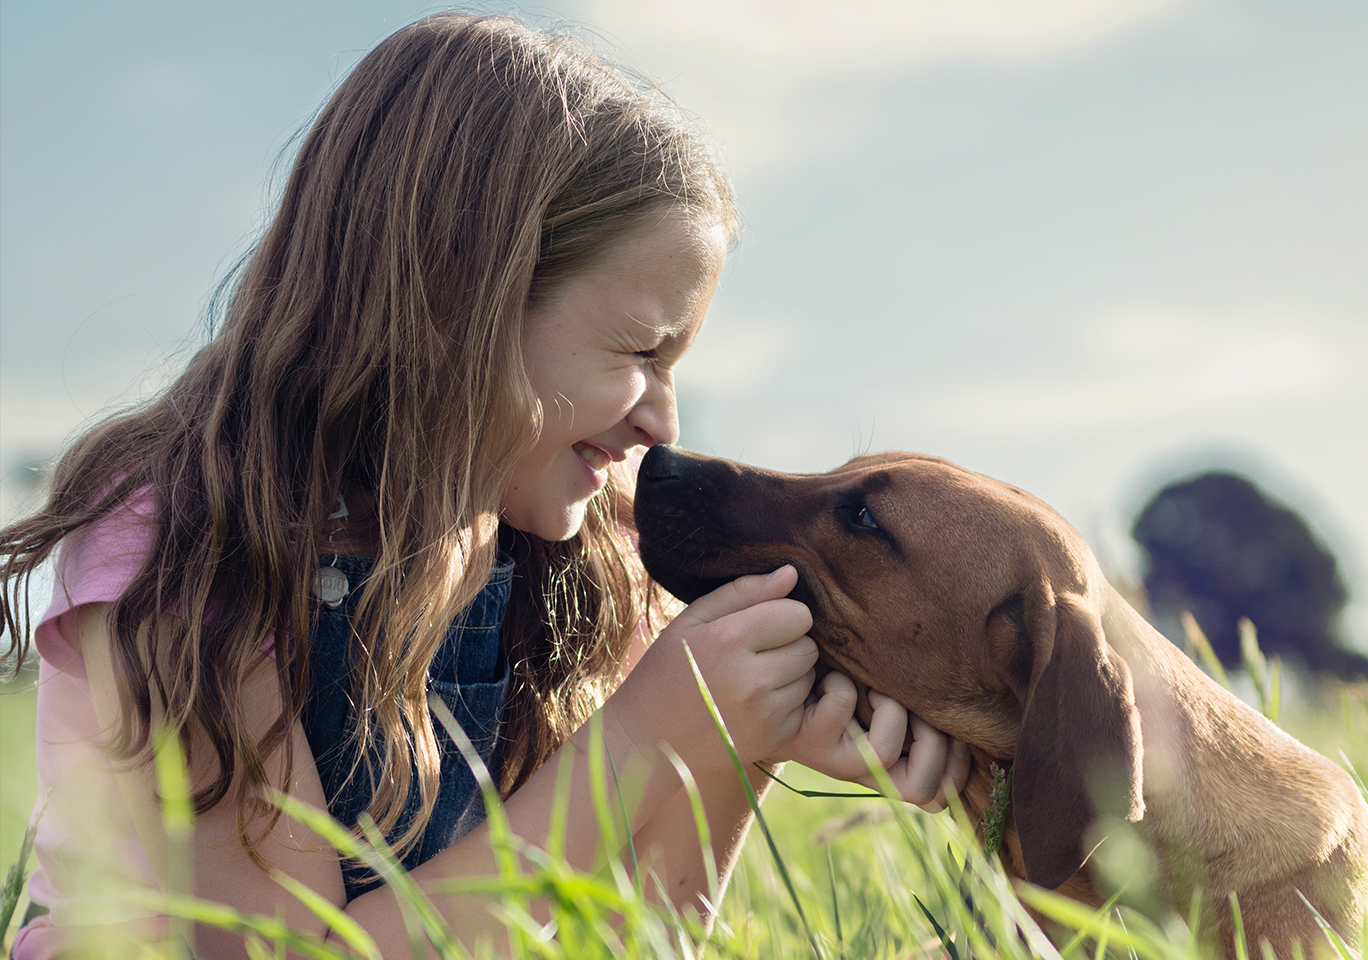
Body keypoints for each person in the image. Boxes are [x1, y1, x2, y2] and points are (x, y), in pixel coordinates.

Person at [0, 14, 970, 958]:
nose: (663, 425)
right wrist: (639, 736)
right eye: (641, 350)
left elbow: (634, 939)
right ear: (452, 301)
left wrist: (738, 745)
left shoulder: (579, 560)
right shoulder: (188, 544)